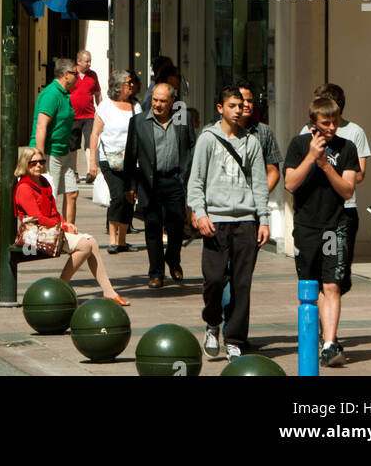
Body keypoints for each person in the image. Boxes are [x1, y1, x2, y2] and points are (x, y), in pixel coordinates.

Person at [187, 85, 270, 360]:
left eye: (241, 105)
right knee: (213, 279)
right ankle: (212, 322)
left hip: (245, 221)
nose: (238, 110)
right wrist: (200, 213)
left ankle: (234, 338)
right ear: (220, 108)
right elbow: (196, 181)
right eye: (232, 106)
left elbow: (260, 184)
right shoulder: (207, 139)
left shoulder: (253, 142)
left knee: (241, 283)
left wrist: (264, 220)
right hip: (215, 221)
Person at [283, 95, 360, 367]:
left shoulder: (347, 148)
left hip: (333, 227)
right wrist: (311, 158)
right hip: (306, 227)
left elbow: (347, 190)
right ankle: (315, 335)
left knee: (331, 284)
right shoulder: (298, 145)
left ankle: (329, 343)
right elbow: (290, 184)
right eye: (326, 123)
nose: (332, 128)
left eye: (335, 122)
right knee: (309, 286)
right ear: (312, 123)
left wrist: (326, 165)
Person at [13, 146, 128, 305]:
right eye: (33, 163)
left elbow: (53, 210)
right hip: (35, 234)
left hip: (52, 229)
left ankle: (109, 292)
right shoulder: (24, 187)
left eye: (41, 161)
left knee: (92, 242)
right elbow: (37, 218)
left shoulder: (44, 182)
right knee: (85, 245)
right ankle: (61, 287)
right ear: (25, 164)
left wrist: (64, 223)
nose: (38, 165)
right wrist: (64, 226)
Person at [299, 83, 370, 301]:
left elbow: (358, 175)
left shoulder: (354, 134)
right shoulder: (305, 132)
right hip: (313, 214)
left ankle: (328, 315)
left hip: (343, 213)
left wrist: (330, 170)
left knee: (339, 275)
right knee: (319, 275)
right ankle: (324, 327)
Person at [123, 81, 195, 288]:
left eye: (163, 101)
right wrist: (130, 185)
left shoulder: (183, 118)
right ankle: (156, 273)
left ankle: (173, 259)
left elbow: (191, 146)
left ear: (173, 101)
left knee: (176, 227)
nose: (157, 105)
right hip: (149, 182)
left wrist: (187, 174)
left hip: (174, 180)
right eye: (155, 99)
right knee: (152, 228)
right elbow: (131, 155)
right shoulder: (138, 122)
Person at [88, 70, 142, 252]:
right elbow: (95, 134)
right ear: (118, 86)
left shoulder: (136, 106)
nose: (132, 86)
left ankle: (122, 241)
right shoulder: (106, 106)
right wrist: (92, 163)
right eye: (128, 83)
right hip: (109, 159)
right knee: (118, 197)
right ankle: (112, 238)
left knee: (129, 198)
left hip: (131, 160)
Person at [31, 58, 80, 225]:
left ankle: (68, 232)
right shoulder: (51, 94)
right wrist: (39, 157)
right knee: (48, 197)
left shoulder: (65, 94)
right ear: (66, 75)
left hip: (63, 152)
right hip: (50, 154)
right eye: (75, 73)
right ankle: (46, 234)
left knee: (72, 193)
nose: (78, 77)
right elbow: (41, 127)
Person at [71, 49, 101, 182]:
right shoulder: (71, 74)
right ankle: (74, 171)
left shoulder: (93, 75)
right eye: (86, 61)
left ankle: (90, 171)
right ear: (79, 61)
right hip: (73, 116)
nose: (89, 64)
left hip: (89, 115)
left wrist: (101, 111)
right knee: (73, 146)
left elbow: (97, 94)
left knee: (90, 143)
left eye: (90, 61)